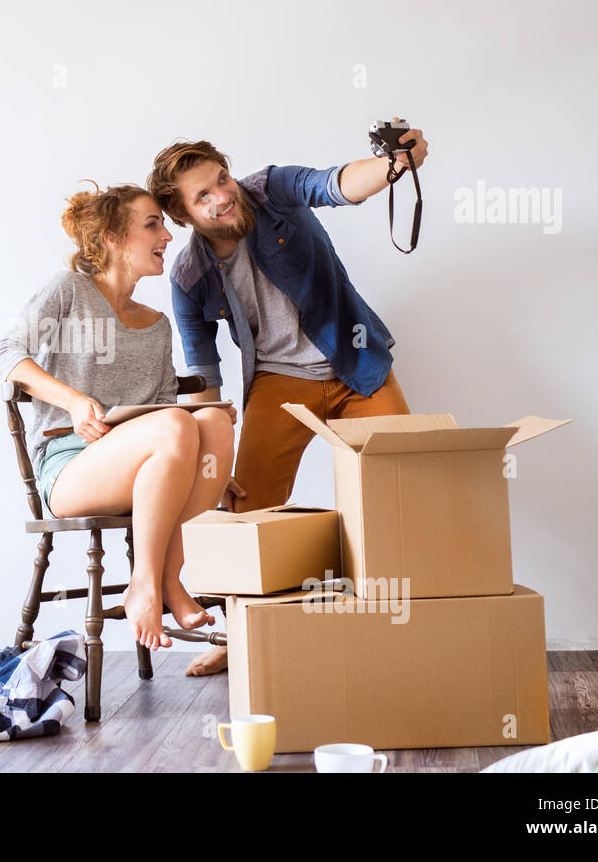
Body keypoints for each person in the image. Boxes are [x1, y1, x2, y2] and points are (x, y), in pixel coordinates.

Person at [145, 125, 429, 675]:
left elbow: (336, 184)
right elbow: (204, 371)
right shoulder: (188, 276)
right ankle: (239, 635)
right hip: (278, 382)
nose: (222, 196)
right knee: (248, 511)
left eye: (220, 180)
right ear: (183, 216)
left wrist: (395, 166)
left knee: (403, 488)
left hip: (356, 363)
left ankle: (405, 621)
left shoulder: (271, 189)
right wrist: (213, 460)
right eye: (202, 196)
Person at [0, 182, 236, 652]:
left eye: (164, 225)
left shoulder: (157, 324)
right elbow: (5, 354)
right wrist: (73, 401)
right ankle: (144, 584)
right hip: (70, 467)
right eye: (152, 224)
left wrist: (214, 467)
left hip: (145, 462)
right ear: (112, 238)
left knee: (215, 422)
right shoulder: (69, 292)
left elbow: (168, 404)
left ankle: (169, 579)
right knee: (179, 423)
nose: (167, 236)